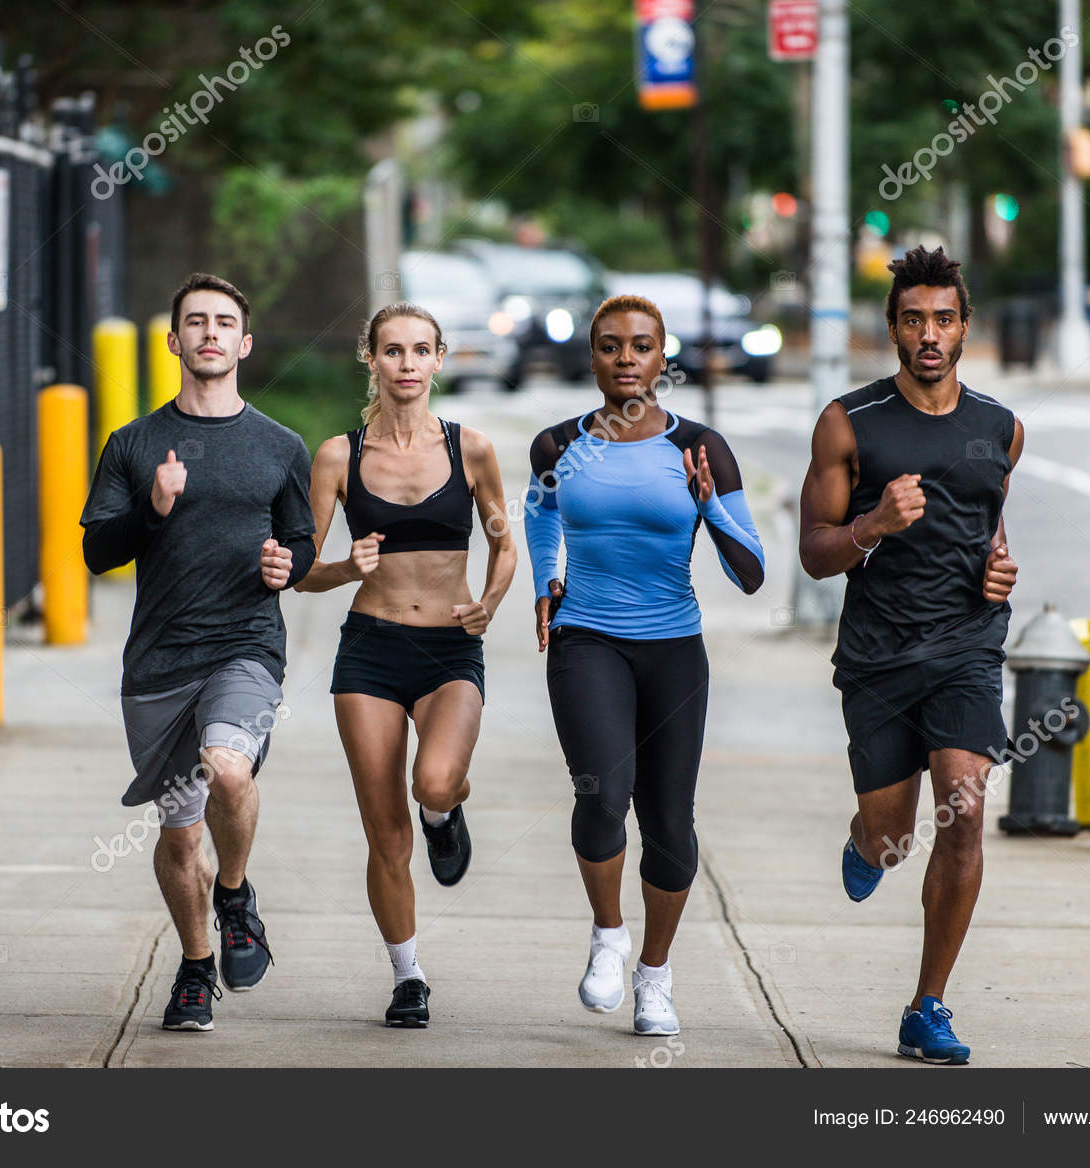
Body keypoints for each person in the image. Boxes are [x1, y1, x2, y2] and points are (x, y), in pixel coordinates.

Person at [797, 245, 1022, 1066]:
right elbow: (815, 554)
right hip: (879, 656)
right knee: (894, 840)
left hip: (966, 647)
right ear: (892, 327)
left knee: (963, 814)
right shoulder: (848, 423)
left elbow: (989, 524)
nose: (930, 333)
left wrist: (1000, 566)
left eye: (945, 319)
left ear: (966, 328)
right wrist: (873, 526)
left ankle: (928, 1006)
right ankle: (867, 844)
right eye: (914, 319)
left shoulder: (1001, 428)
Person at [80, 273, 316, 1032]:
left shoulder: (280, 446)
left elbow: (302, 541)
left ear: (243, 344)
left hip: (245, 647)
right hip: (158, 662)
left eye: (224, 323)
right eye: (196, 322)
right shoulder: (135, 445)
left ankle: (237, 894)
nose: (210, 333)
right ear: (175, 341)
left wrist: (293, 566)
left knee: (228, 766)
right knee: (179, 833)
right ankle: (193, 965)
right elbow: (96, 554)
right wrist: (153, 506)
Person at [524, 294, 764, 1037]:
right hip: (586, 638)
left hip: (672, 649)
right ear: (591, 356)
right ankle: (608, 934)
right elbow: (538, 512)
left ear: (665, 358)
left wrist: (709, 506)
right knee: (602, 794)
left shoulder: (701, 447)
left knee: (668, 824)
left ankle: (654, 977)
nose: (625, 358)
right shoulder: (558, 444)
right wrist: (544, 583)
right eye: (609, 346)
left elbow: (751, 573)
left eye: (641, 346)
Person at [295, 302, 516, 1028]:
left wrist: (489, 599)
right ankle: (408, 974)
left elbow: (503, 543)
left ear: (439, 360)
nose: (408, 364)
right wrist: (343, 568)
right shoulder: (338, 456)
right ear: (373, 361)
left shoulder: (471, 451)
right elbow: (301, 570)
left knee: (435, 779)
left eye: (421, 351)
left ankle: (444, 813)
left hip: (451, 646)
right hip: (371, 649)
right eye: (394, 351)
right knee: (385, 833)